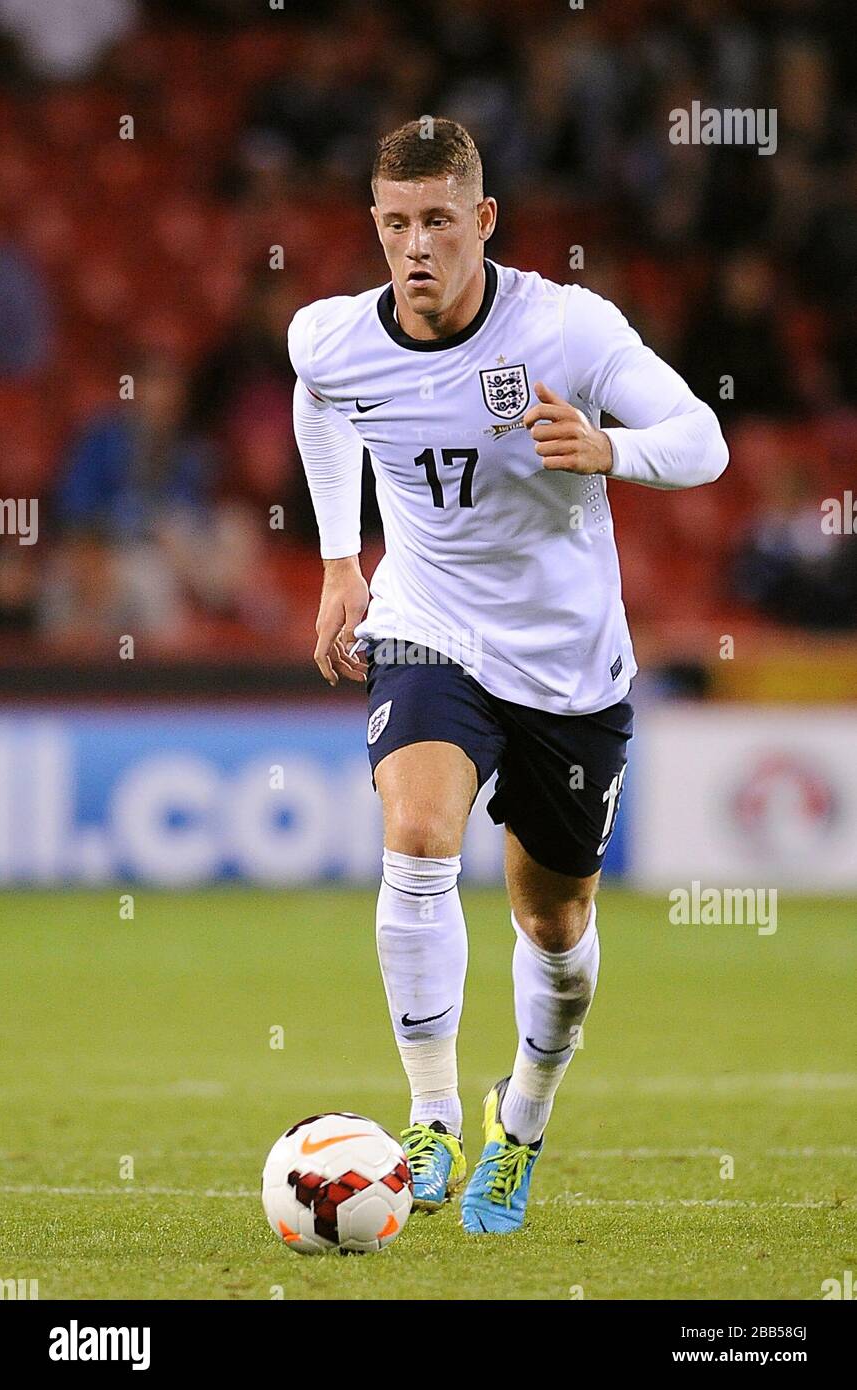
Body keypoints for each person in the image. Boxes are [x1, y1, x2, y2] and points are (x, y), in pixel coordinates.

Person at [288, 119, 728, 1235]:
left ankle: (517, 1121)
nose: (416, 245)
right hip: (428, 627)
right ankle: (430, 1115)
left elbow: (703, 436)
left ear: (484, 219)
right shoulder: (334, 337)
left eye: (439, 220)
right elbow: (321, 397)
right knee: (422, 835)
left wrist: (612, 449)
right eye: (395, 224)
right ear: (375, 227)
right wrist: (342, 558)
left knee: (557, 926)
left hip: (569, 668)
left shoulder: (568, 329)